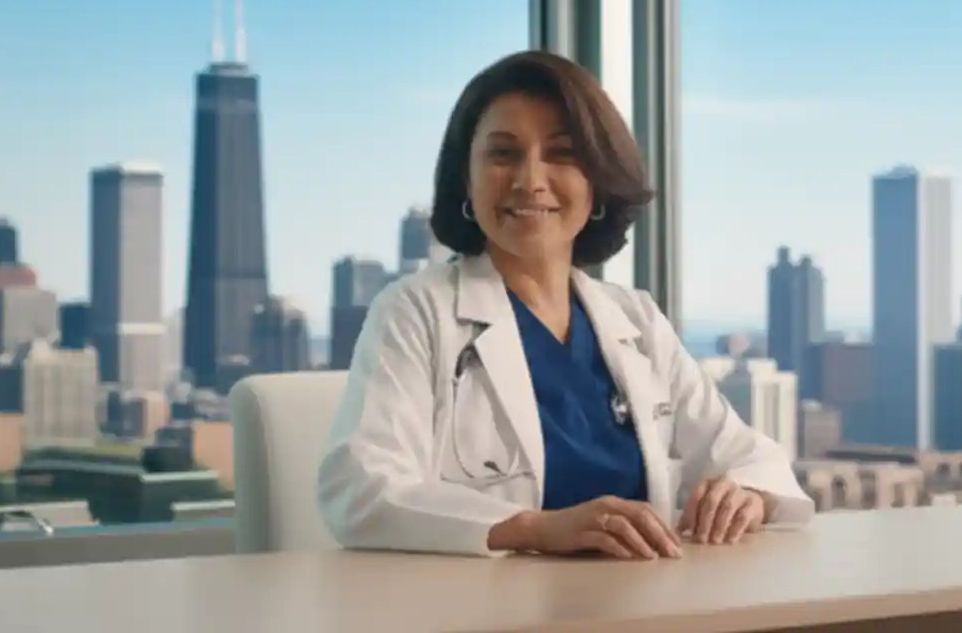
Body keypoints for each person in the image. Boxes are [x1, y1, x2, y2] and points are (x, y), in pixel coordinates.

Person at [318, 50, 813, 559]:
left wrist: (748, 495)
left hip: (645, 597)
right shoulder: (416, 311)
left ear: (597, 181)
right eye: (503, 154)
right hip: (490, 601)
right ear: (466, 178)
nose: (530, 181)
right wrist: (534, 529)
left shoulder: (636, 320)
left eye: (561, 154)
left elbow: (750, 458)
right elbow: (362, 488)